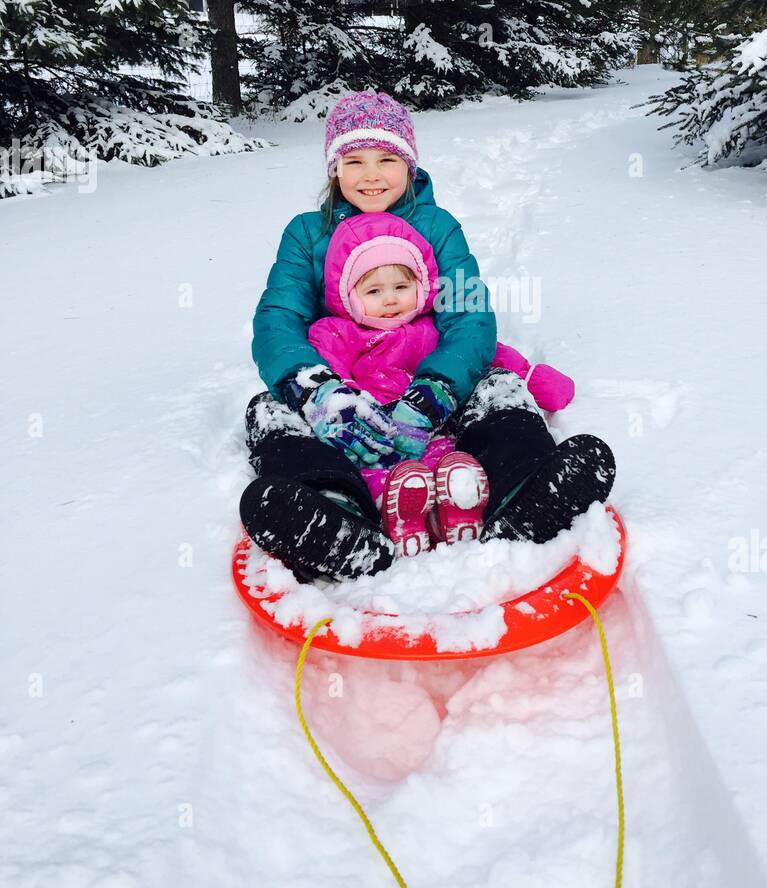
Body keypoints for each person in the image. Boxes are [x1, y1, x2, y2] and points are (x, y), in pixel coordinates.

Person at [239, 89, 615, 583]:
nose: (370, 175)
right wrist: (315, 389)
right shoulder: (308, 234)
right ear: (334, 168)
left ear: (410, 163)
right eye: (354, 160)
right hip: (348, 381)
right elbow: (278, 318)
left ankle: (522, 485)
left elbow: (470, 317)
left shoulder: (436, 227)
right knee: (268, 408)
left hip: (428, 375)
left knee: (497, 383)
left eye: (387, 159)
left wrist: (437, 388)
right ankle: (334, 512)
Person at [304, 208, 578, 555]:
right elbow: (323, 368)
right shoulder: (338, 333)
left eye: (401, 287)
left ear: (420, 285)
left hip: (428, 424)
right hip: (371, 432)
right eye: (374, 291)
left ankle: (453, 509)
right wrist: (344, 400)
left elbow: (482, 356)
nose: (390, 299)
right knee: (379, 475)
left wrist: (532, 378)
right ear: (348, 294)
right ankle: (397, 518)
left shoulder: (431, 330)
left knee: (449, 461)